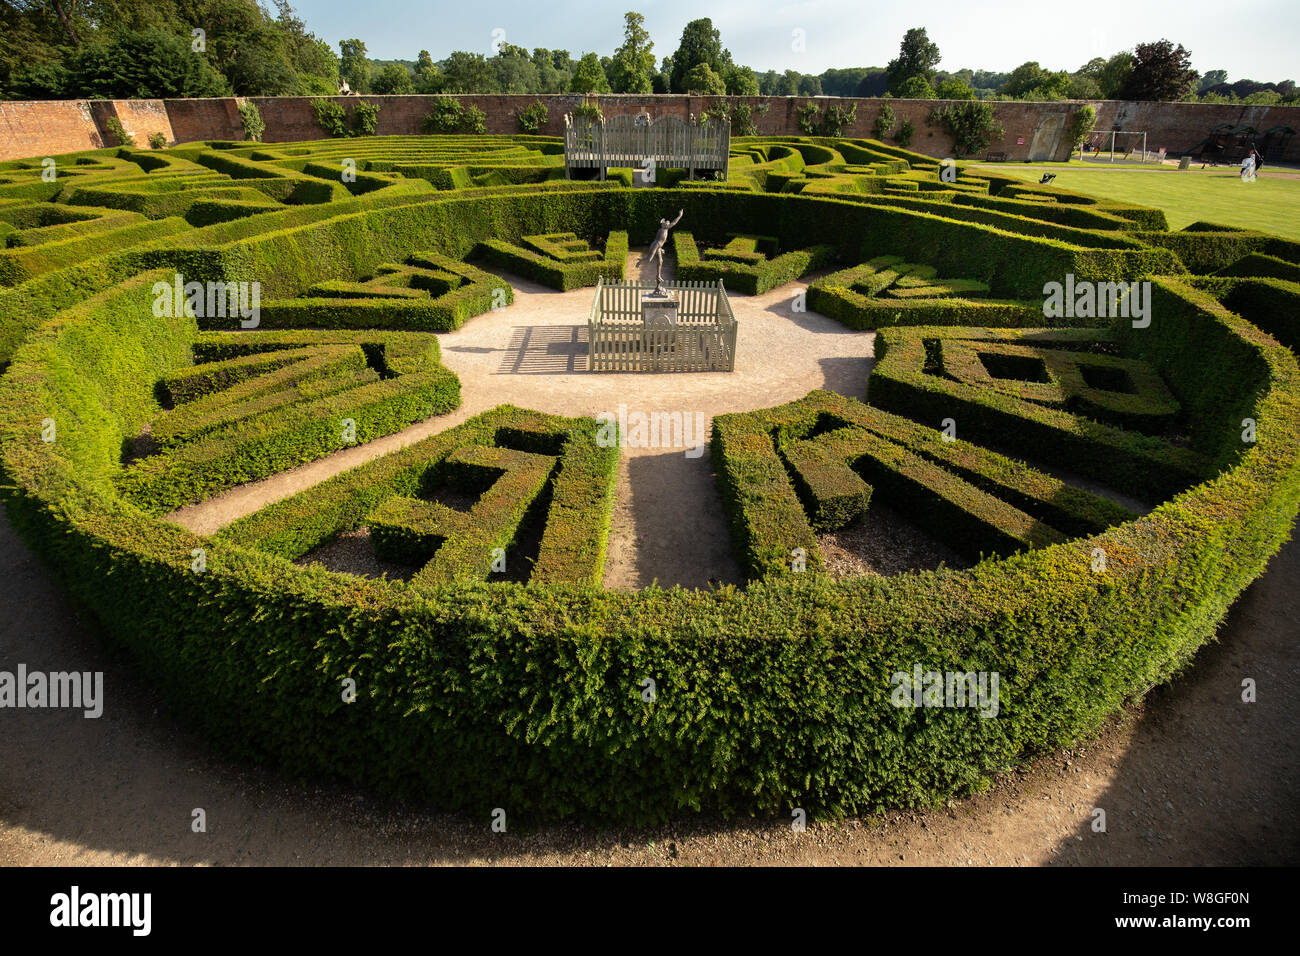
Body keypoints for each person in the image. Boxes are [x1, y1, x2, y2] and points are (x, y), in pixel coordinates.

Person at [638, 208, 684, 296]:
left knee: (660, 261)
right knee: (649, 259)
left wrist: (660, 248)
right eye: (666, 222)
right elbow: (674, 222)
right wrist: (680, 215)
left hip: (658, 246)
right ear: (664, 225)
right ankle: (640, 261)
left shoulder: (662, 229)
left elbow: (660, 239)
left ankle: (658, 276)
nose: (668, 223)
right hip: (656, 245)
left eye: (667, 222)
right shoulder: (664, 228)